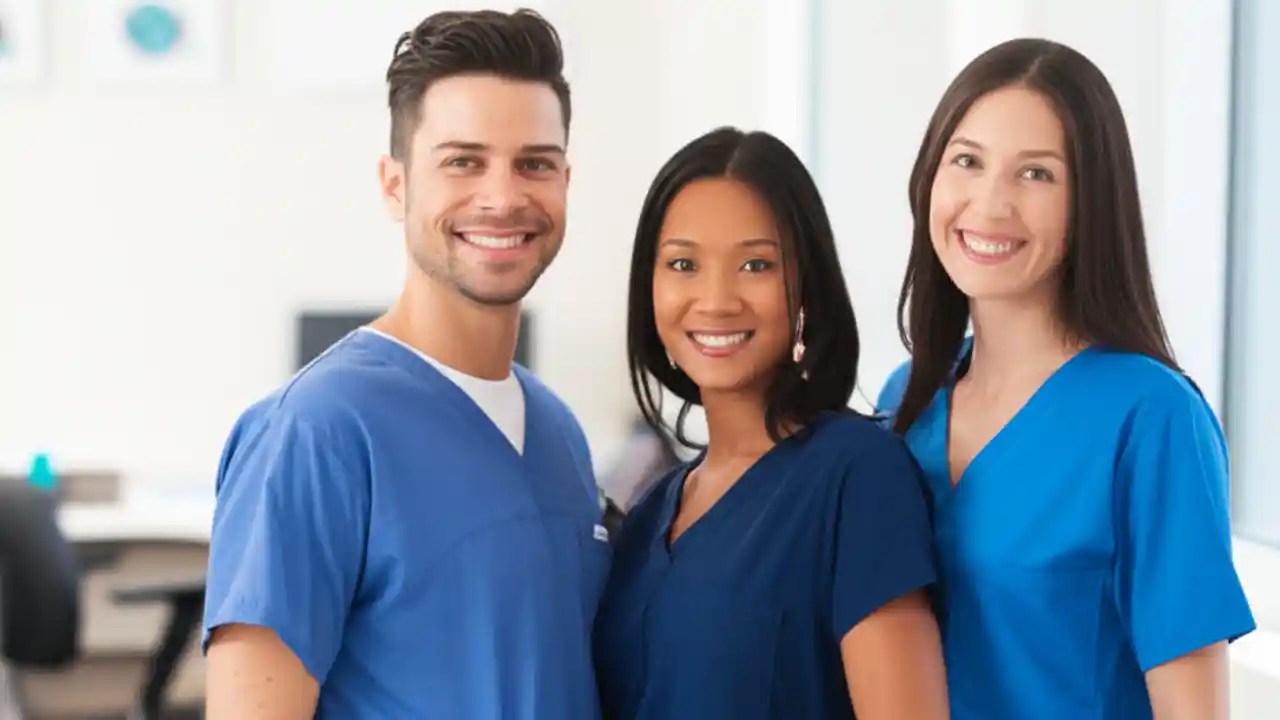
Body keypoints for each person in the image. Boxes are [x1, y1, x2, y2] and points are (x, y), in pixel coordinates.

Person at [202, 10, 609, 719]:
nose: (503, 196)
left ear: (565, 182)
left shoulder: (558, 434)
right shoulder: (316, 433)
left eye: (534, 163)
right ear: (395, 185)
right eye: (463, 161)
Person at [876, 38, 1255, 720]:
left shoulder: (1152, 419)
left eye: (1037, 174)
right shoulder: (905, 400)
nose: (990, 203)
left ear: (1092, 204)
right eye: (967, 161)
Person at [594, 127, 950, 719]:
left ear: (805, 285)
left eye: (755, 265)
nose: (716, 299)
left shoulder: (856, 475)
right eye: (683, 264)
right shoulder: (649, 515)